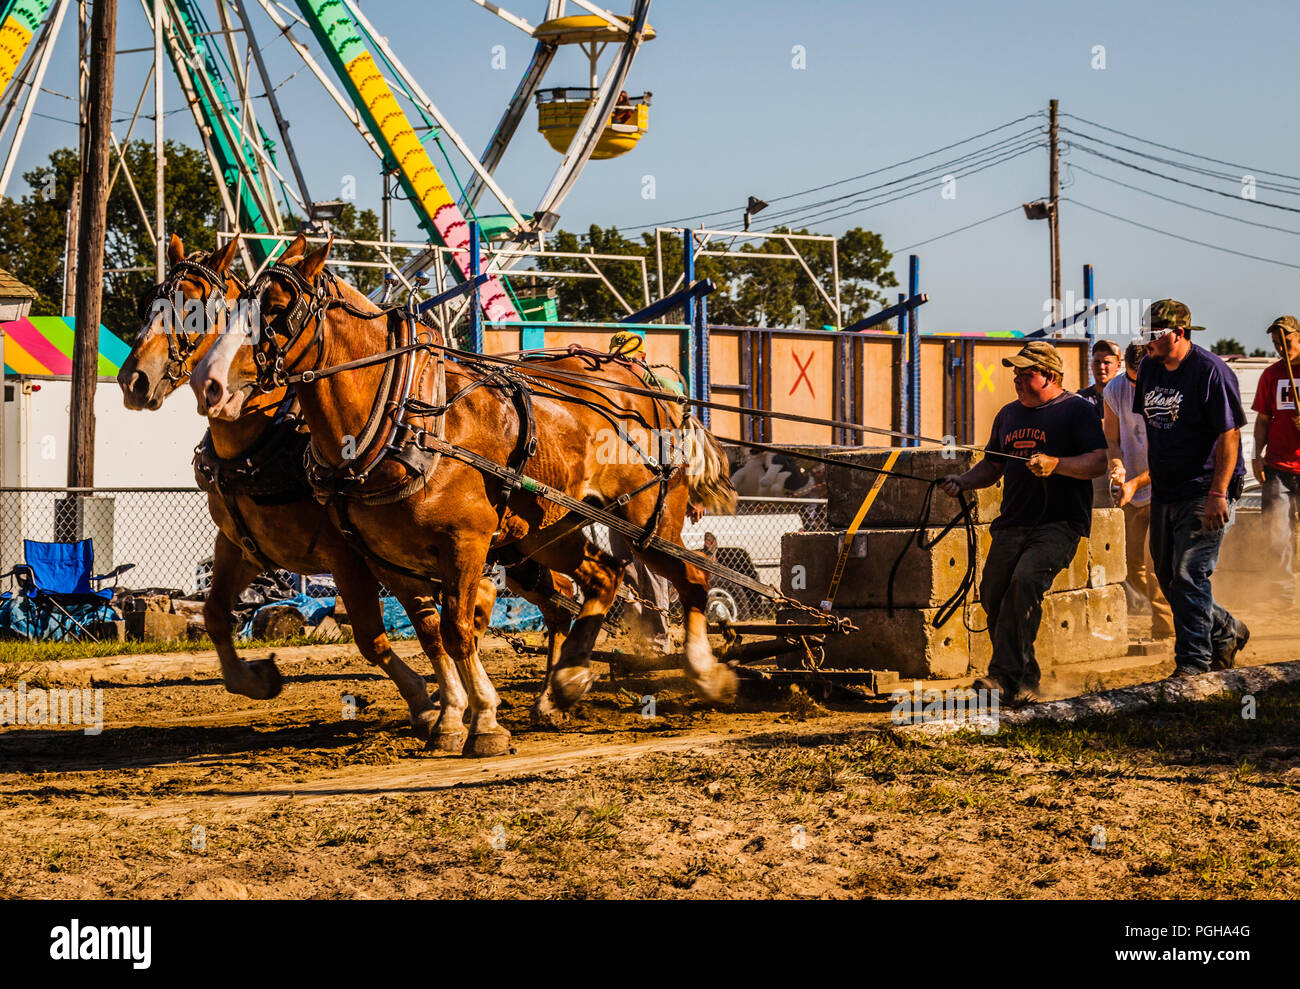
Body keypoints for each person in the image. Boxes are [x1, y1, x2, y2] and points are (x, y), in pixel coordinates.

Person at [940, 340, 1107, 703]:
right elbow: (992, 465)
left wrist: (1056, 464)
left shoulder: (1077, 411)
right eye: (1015, 373)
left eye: (1025, 373)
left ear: (1049, 375)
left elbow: (1098, 462)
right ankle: (1026, 676)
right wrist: (964, 481)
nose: (1016, 379)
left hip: (1058, 524)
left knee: (1024, 582)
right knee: (993, 592)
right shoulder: (1008, 415)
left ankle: (1001, 676)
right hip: (1012, 523)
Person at [1132, 300, 1249, 677]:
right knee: (1168, 578)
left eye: (1155, 335)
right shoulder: (1149, 368)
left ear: (1179, 334)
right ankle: (1226, 629)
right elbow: (1153, 428)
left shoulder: (1210, 371)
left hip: (1206, 488)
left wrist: (1218, 493)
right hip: (1167, 489)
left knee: (1188, 576)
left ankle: (1193, 665)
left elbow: (1228, 435)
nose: (1147, 342)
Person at [1103, 341, 1174, 640]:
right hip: (1131, 489)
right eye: (1132, 377)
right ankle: (1174, 609)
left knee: (1153, 562)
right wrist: (1117, 465)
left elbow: (1171, 454)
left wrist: (1137, 481)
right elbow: (1112, 440)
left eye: (1140, 376)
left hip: (1162, 488)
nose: (1136, 382)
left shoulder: (1167, 387)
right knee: (1132, 567)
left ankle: (1166, 625)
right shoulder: (1114, 390)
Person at [1251, 314, 1300, 605]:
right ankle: (1283, 593)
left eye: (1286, 340)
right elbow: (1263, 419)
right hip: (1278, 466)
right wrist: (1257, 455)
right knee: (1277, 532)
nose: (1281, 347)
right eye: (1276, 343)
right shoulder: (1271, 375)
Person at [1079, 339, 1124, 504]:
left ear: (1119, 365)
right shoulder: (1081, 400)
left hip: (1122, 473)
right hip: (1094, 476)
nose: (1101, 367)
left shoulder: (1126, 397)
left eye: (1107, 362)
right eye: (1097, 362)